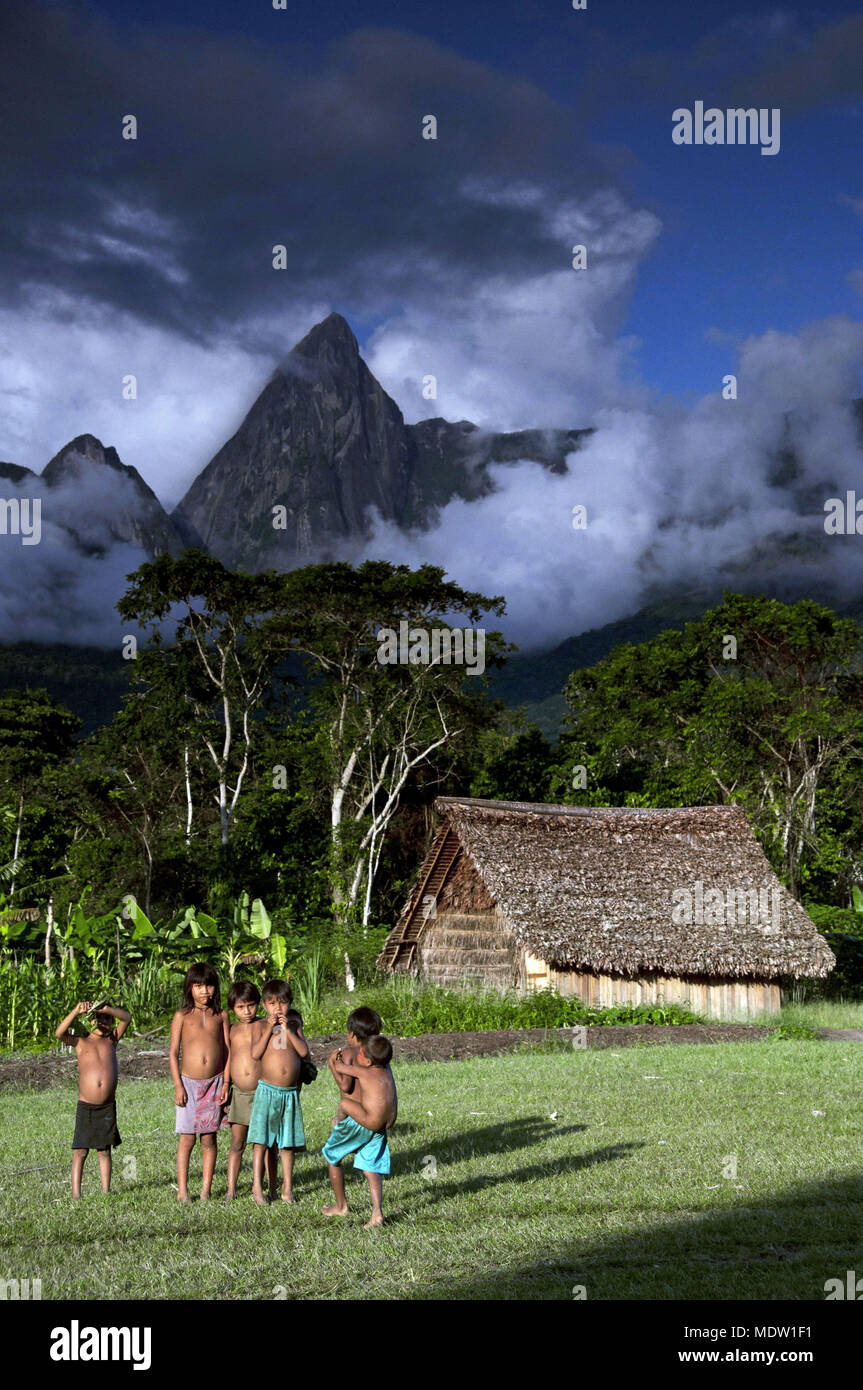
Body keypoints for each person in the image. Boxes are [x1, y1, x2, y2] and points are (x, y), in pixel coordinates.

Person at [55, 999, 131, 1199]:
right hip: (86, 1107)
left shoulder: (111, 1040)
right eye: (100, 1017)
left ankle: (106, 1191)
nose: (105, 1021)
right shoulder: (81, 1041)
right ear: (91, 1020)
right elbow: (59, 1034)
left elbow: (127, 1018)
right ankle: (76, 1194)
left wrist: (109, 1009)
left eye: (108, 1018)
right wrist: (75, 1011)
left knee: (104, 1150)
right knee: (81, 1151)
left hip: (106, 1107)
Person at [169, 962, 230, 1203]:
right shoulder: (182, 1016)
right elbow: (173, 1052)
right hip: (188, 1084)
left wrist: (225, 1083)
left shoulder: (221, 1015)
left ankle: (206, 1190)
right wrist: (178, 1085)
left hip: (214, 1084)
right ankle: (182, 1191)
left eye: (209, 986)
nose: (204, 991)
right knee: (187, 1138)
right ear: (190, 988)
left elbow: (228, 1051)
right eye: (198, 986)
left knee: (208, 1138)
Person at [322, 1033, 397, 1228]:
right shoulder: (387, 1070)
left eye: (361, 1054)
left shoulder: (364, 1072)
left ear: (368, 1059)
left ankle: (341, 1206)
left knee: (332, 1153)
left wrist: (332, 1061)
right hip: (385, 1124)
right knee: (371, 1167)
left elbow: (339, 1068)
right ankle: (377, 1212)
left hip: (369, 1121)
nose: (358, 1056)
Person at [247, 979, 309, 1205]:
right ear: (264, 1005)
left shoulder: (294, 1023)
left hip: (289, 1093)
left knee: (287, 1142)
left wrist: (286, 1029)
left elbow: (303, 1051)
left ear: (290, 1003)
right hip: (267, 1091)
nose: (278, 1009)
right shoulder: (260, 1025)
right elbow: (255, 1054)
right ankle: (257, 1187)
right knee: (261, 1141)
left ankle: (287, 1188)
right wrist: (269, 1029)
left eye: (282, 1003)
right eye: (272, 1004)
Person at [224, 980, 268, 1201]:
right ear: (233, 1008)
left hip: (262, 1093)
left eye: (251, 1005)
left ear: (258, 1004)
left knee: (261, 1143)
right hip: (239, 1093)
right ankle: (231, 1189)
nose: (247, 1011)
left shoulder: (264, 1025)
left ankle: (257, 1186)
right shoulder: (231, 1029)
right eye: (240, 1007)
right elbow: (228, 1058)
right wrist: (225, 1085)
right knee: (237, 1142)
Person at [329, 1006, 382, 1126]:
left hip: (353, 1117)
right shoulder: (376, 1054)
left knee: (336, 1129)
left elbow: (345, 1086)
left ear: (352, 1034)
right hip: (372, 1113)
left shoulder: (349, 1053)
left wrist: (332, 1064)